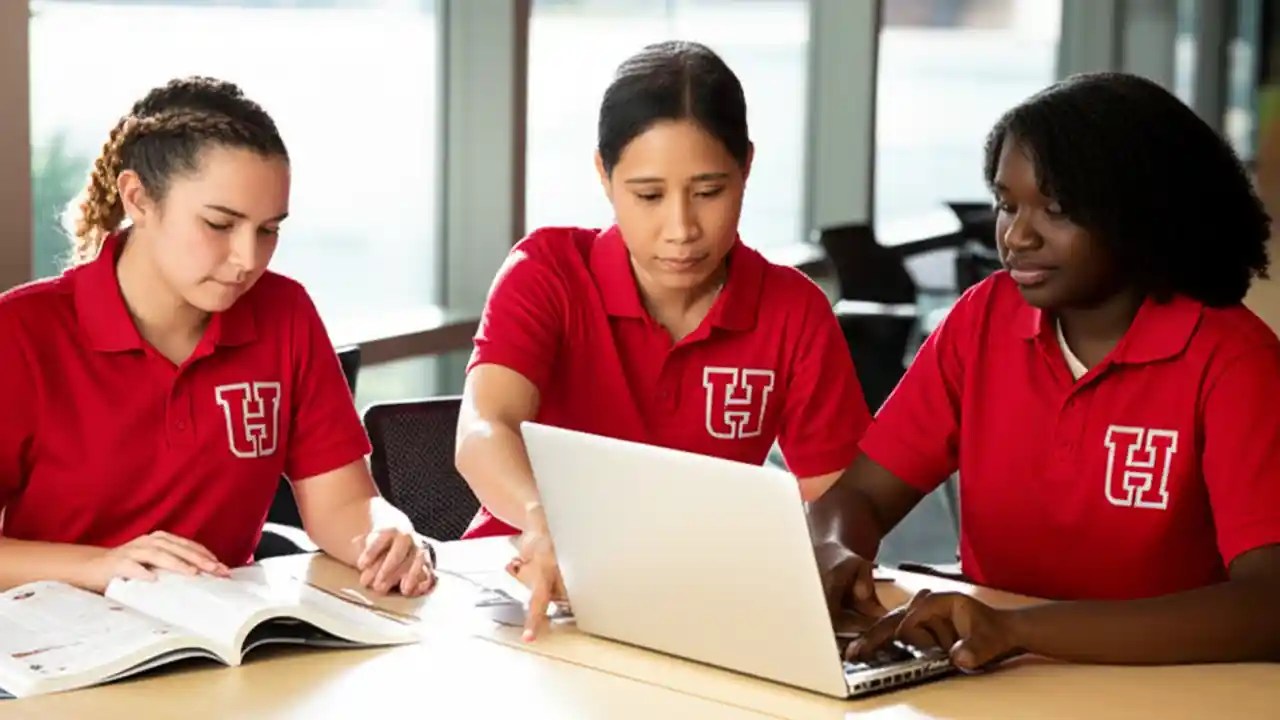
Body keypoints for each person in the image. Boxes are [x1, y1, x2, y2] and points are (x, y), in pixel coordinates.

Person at [811, 71, 1280, 671]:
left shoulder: (1233, 360)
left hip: (1169, 693)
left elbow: (1268, 606)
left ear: (1143, 215)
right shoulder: (982, 320)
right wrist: (834, 551)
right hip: (996, 683)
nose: (1017, 235)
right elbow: (860, 496)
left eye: (1056, 210)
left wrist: (1018, 630)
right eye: (1007, 205)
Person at [457, 40, 869, 640]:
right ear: (604, 174)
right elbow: (482, 428)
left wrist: (830, 556)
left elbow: (840, 501)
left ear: (746, 168)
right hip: (525, 592)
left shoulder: (793, 310)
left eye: (709, 192)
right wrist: (542, 521)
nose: (681, 230)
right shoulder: (546, 271)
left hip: (695, 607)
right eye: (648, 196)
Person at [0, 77, 434, 598]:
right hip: (55, 652)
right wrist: (101, 566)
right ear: (137, 198)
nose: (248, 260)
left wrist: (387, 534)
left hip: (221, 641)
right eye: (220, 224)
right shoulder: (20, 333)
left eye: (269, 230)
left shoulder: (285, 313)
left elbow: (342, 504)